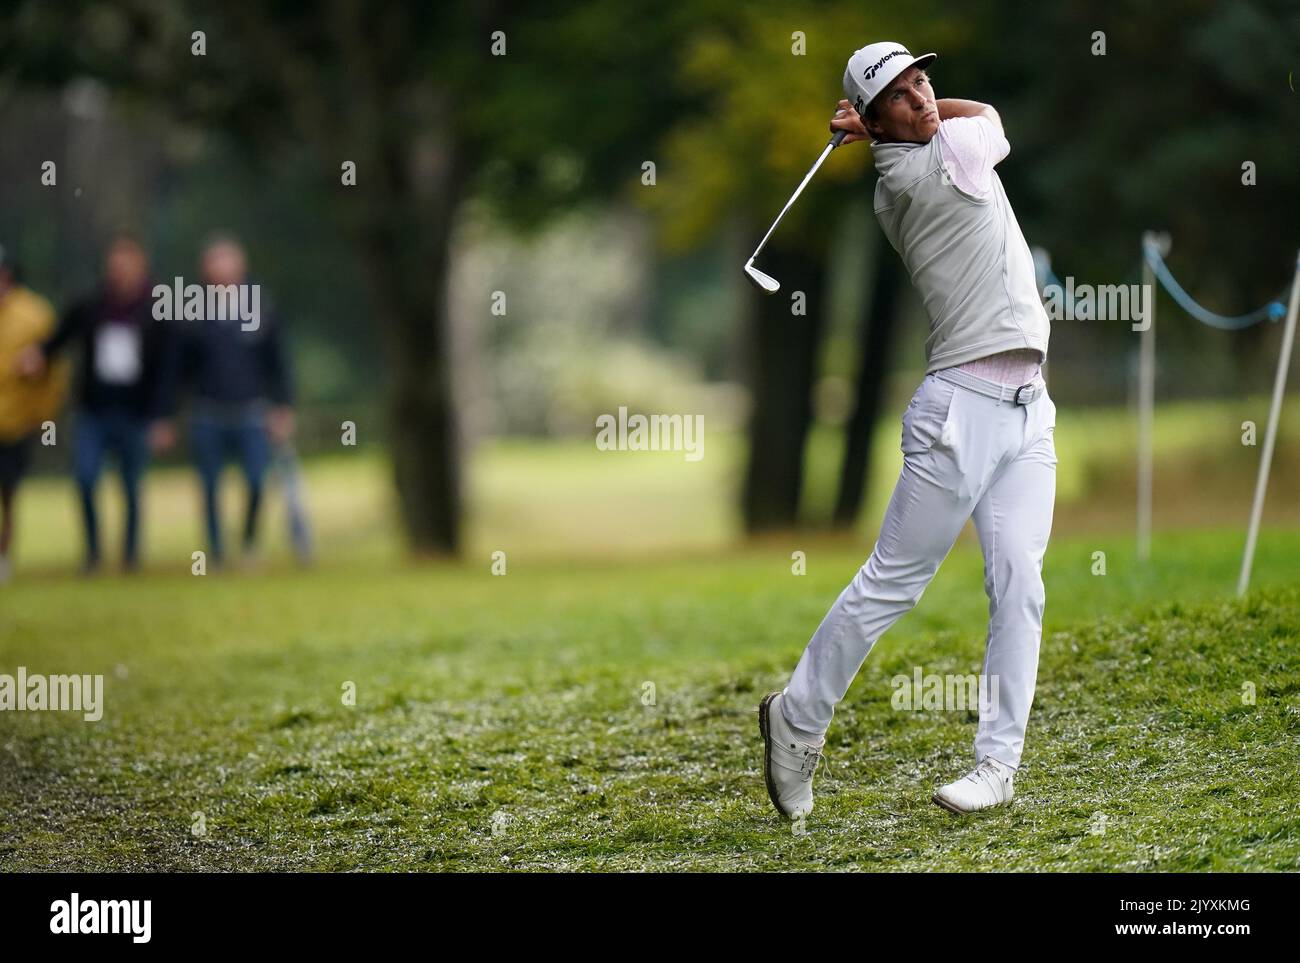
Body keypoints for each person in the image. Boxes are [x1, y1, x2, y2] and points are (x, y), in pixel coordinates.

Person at [759, 43, 1057, 818]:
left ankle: (997, 764)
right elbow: (990, 117)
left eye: (924, 82)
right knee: (893, 582)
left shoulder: (905, 163)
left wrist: (871, 125)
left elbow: (961, 117)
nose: (924, 98)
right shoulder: (931, 164)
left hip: (1029, 409)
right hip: (961, 414)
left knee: (1019, 584)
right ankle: (796, 718)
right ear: (878, 121)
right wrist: (882, 131)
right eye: (900, 95)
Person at [16, 234, 173, 574]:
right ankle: (93, 554)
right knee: (85, 479)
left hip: (136, 412)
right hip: (93, 411)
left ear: (140, 266)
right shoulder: (90, 306)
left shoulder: (156, 310)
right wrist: (38, 356)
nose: (120, 272)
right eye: (115, 265)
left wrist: (162, 417)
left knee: (131, 486)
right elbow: (60, 337)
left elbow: (166, 369)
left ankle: (130, 556)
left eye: (126, 265)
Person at [154, 234, 294, 569]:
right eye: (215, 262)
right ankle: (215, 553)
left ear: (241, 266)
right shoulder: (191, 313)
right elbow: (175, 370)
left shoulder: (261, 307)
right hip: (207, 413)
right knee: (209, 486)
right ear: (205, 269)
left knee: (257, 480)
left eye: (227, 261)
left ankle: (248, 545)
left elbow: (279, 363)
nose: (221, 269)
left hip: (252, 412)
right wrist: (164, 416)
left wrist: (283, 407)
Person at [0, 246, 68, 583]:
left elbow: (53, 369)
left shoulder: (34, 314)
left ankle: (4, 554)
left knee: (9, 493)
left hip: (16, 420)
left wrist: (44, 416)